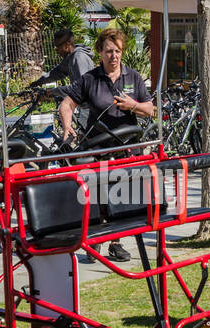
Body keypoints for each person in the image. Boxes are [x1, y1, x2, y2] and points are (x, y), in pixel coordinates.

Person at [57, 27, 155, 264]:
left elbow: (150, 109)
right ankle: (96, 239)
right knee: (100, 194)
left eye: (118, 51)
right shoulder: (90, 79)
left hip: (127, 146)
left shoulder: (133, 77)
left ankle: (115, 243)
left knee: (120, 195)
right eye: (109, 51)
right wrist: (67, 126)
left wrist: (133, 105)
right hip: (99, 147)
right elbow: (66, 105)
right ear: (100, 52)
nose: (114, 56)